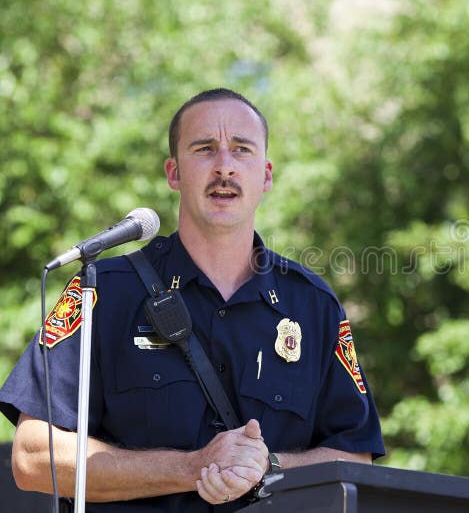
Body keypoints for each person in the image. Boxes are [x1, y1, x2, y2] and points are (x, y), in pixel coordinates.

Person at [0, 88, 385, 511]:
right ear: (174, 173)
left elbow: (356, 459)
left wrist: (267, 467)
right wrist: (193, 467)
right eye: (204, 149)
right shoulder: (103, 291)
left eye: (241, 149)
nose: (224, 166)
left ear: (266, 175)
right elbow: (32, 457)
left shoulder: (313, 306)